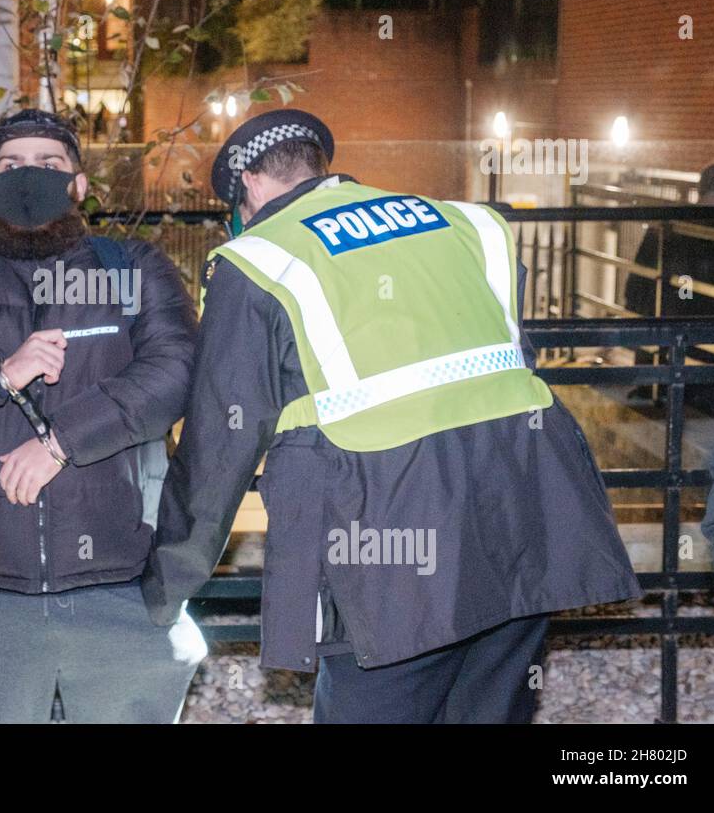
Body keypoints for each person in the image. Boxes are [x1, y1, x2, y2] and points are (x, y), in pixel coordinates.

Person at [141, 108, 643, 723]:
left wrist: (164, 587)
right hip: (522, 519)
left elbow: (220, 448)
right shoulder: (466, 223)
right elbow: (510, 363)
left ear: (248, 187)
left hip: (388, 548)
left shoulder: (259, 260)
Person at [0, 109, 204, 722]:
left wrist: (61, 442)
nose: (30, 176)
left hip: (121, 585)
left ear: (80, 184)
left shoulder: (130, 271)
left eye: (50, 164)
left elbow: (175, 373)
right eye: (13, 165)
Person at [625, 161, 714, 418]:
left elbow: (641, 286)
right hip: (701, 358)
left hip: (663, 351)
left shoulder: (669, 225)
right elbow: (687, 290)